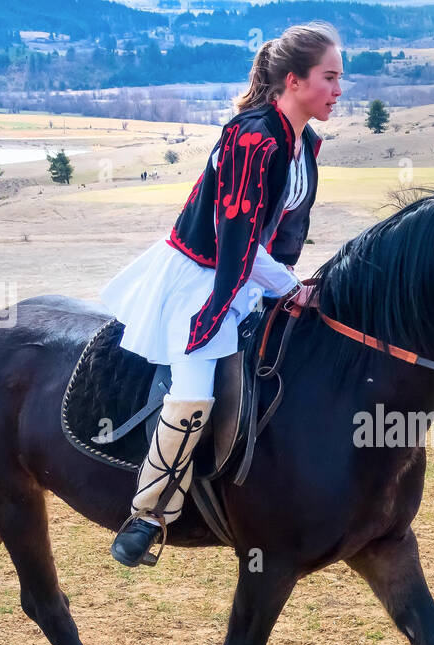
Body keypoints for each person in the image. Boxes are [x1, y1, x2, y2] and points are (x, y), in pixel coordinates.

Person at [100, 22, 342, 567]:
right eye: (329, 78)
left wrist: (287, 282)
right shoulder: (252, 138)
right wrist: (288, 287)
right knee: (195, 390)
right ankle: (149, 514)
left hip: (251, 278)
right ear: (294, 79)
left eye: (338, 79)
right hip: (202, 280)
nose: (338, 90)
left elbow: (279, 235)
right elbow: (238, 237)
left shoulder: (302, 144)